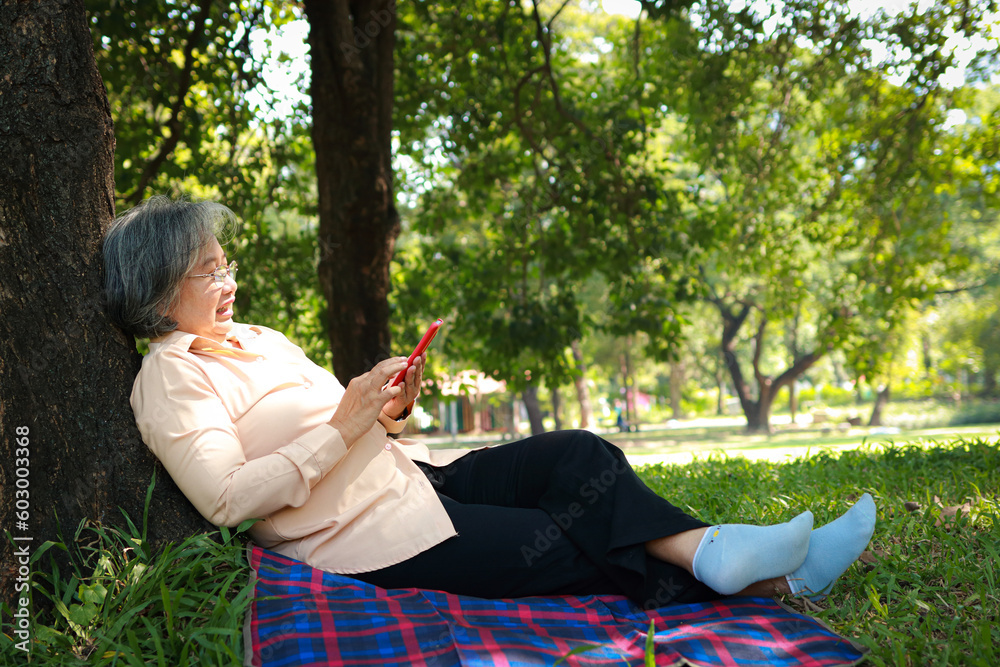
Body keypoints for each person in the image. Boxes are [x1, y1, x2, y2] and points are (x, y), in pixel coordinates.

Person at [102, 196, 876, 608]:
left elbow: (343, 423)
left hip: (414, 475)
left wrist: (386, 405)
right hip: (363, 536)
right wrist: (345, 422)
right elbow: (226, 498)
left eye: (225, 261)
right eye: (209, 270)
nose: (229, 278)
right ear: (160, 290)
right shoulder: (170, 376)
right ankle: (779, 580)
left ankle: (712, 549)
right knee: (563, 541)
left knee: (581, 456)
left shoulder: (260, 338)